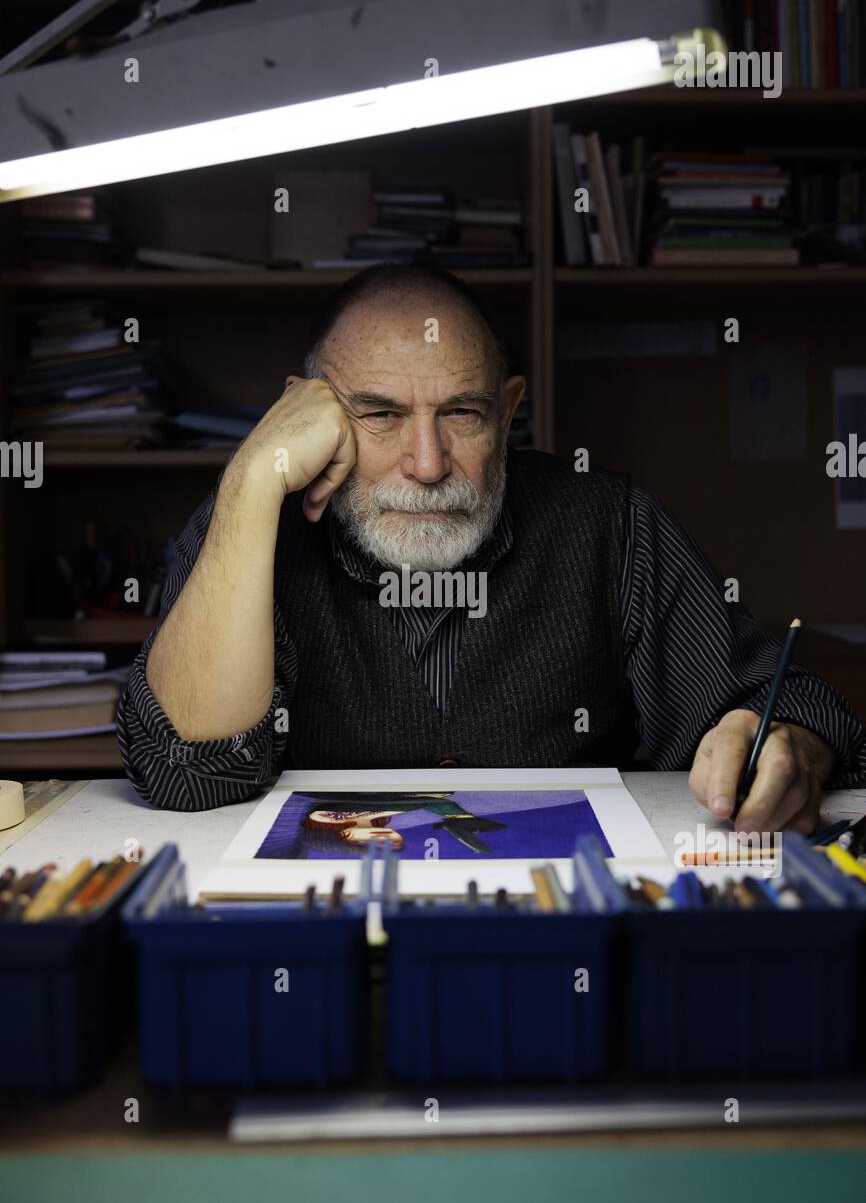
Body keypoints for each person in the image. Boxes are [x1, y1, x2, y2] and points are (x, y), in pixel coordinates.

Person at [117, 260, 865, 827]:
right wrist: (253, 476)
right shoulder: (251, 525)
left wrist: (789, 741)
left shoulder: (608, 522)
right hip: (312, 928)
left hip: (562, 927)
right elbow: (187, 772)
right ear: (302, 416)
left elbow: (781, 701)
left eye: (462, 413)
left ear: (507, 412)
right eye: (378, 415)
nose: (428, 463)